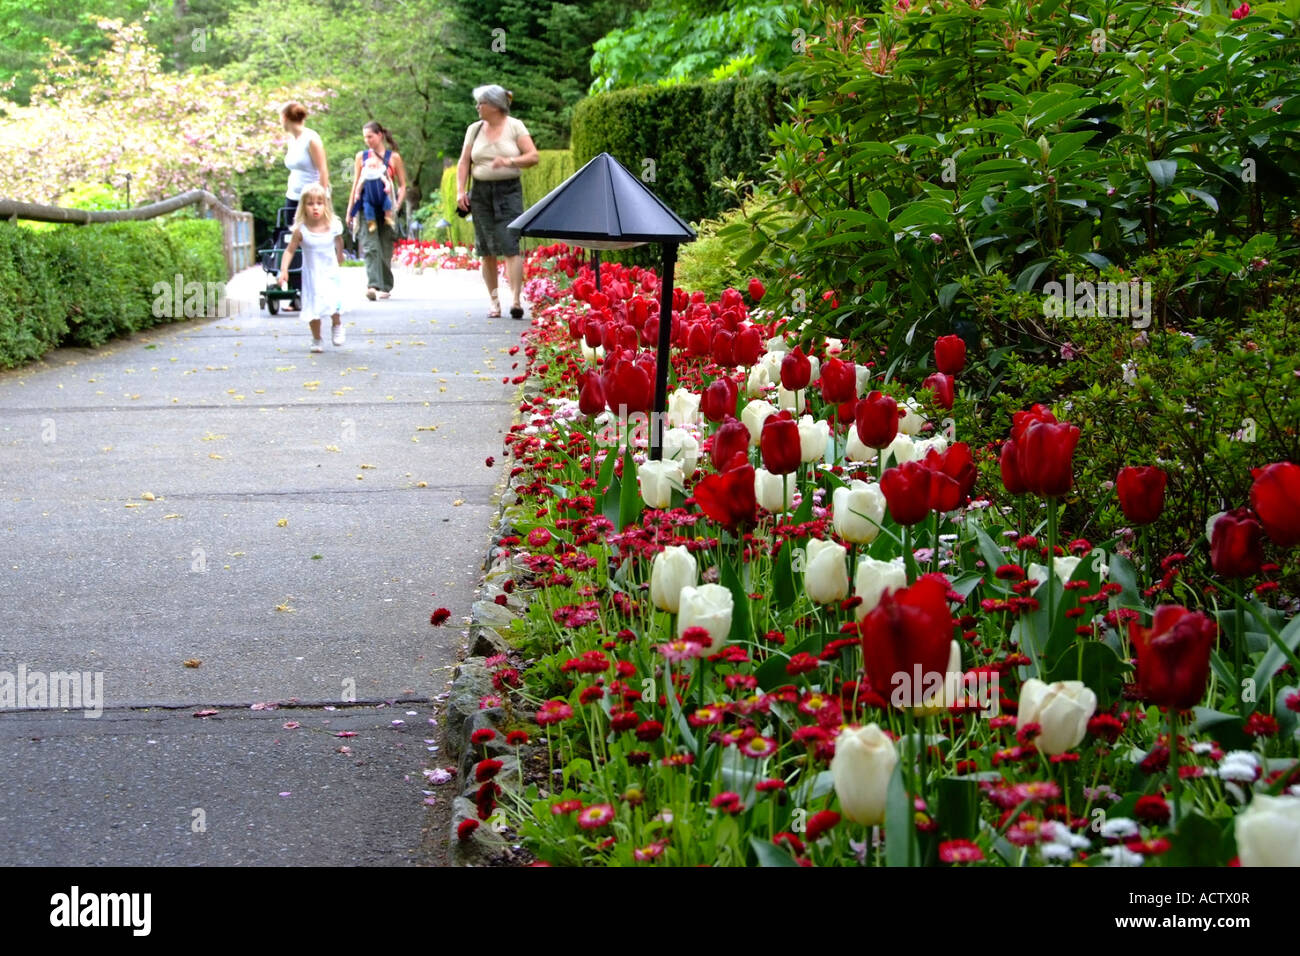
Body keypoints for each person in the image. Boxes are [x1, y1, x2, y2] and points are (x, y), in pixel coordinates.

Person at [456, 85, 539, 319]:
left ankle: (515, 300)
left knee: (510, 244)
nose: (477, 108)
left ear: (493, 106)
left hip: (509, 191)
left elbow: (533, 156)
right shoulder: (474, 130)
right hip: (480, 193)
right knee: (486, 248)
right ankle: (494, 302)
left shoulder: (515, 126)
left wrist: (509, 161)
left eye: (480, 103)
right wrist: (460, 191)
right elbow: (464, 163)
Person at [279, 183, 344, 353]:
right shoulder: (301, 230)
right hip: (312, 274)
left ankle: (336, 325)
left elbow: (338, 241)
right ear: (303, 206)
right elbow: (289, 250)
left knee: (333, 302)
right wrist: (284, 269)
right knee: (313, 307)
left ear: (325, 205)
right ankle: (316, 338)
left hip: (330, 271)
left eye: (319, 203)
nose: (315, 207)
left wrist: (340, 254)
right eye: (310, 203)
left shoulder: (333, 225)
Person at [347, 121, 407, 300]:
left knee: (385, 246)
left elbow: (402, 185)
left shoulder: (394, 158)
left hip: (387, 209)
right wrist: (350, 210)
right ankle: (373, 285)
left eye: (370, 136)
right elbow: (356, 183)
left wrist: (397, 205)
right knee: (370, 245)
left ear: (380, 135)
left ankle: (385, 286)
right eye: (365, 137)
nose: (367, 141)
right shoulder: (361, 157)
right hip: (366, 208)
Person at [281, 102, 329, 218]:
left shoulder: (311, 139)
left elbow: (323, 170)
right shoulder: (291, 139)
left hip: (311, 200)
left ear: (285, 118)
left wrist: (320, 200)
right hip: (293, 197)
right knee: (291, 234)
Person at [350, 150, 395, 232]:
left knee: (387, 203)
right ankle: (371, 223)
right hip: (369, 199)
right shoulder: (365, 176)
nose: (371, 168)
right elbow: (359, 185)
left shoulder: (379, 174)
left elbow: (386, 182)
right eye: (369, 166)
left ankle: (388, 217)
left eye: (373, 166)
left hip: (382, 197)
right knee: (367, 208)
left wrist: (387, 187)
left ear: (377, 167)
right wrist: (357, 194)